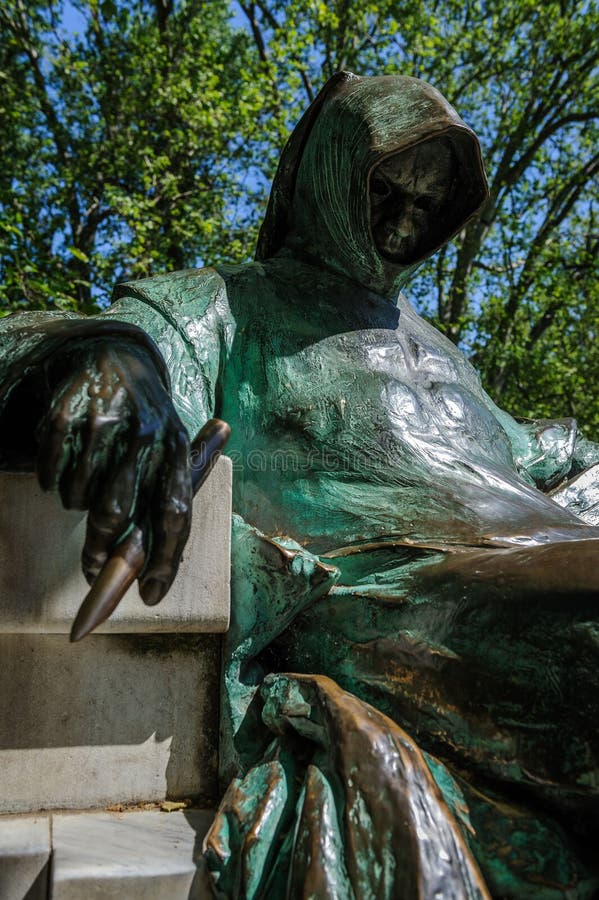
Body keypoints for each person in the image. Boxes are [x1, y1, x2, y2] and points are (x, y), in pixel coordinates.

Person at [1, 72, 598, 897]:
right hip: (410, 590)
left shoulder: (448, 354)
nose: (401, 222)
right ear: (326, 173)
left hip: (553, 546)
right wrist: (105, 357)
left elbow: (544, 459)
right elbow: (35, 343)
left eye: (427, 206)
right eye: (383, 190)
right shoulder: (223, 306)